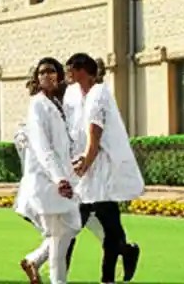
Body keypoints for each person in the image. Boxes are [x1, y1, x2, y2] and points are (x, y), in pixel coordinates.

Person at [65, 54, 142, 284]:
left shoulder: (99, 95)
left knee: (104, 226)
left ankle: (108, 275)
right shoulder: (74, 94)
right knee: (76, 226)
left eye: (72, 69)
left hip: (100, 173)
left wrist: (85, 163)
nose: (68, 74)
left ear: (82, 71)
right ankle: (126, 252)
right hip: (85, 172)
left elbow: (95, 134)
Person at [16, 57, 81, 284]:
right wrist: (59, 178)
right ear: (37, 78)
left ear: (58, 76)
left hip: (62, 181)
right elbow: (43, 147)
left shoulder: (57, 104)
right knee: (58, 240)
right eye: (42, 72)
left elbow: (65, 144)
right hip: (46, 182)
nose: (46, 75)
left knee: (71, 227)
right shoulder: (37, 105)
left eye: (51, 71)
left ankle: (34, 260)